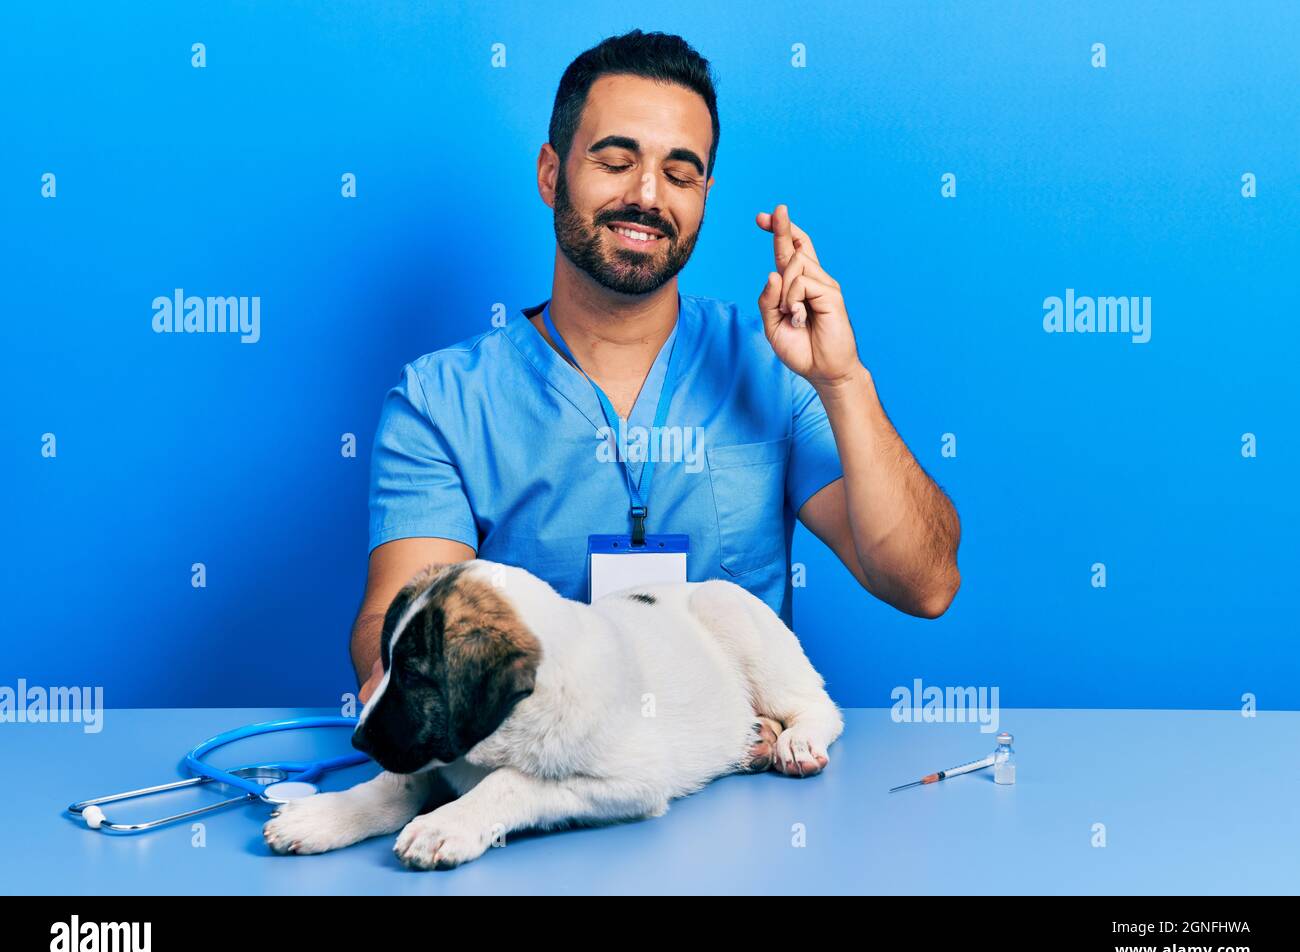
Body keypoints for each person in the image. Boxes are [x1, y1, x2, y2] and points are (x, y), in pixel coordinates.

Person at [353, 30, 961, 721]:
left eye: (679, 174)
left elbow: (925, 584)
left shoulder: (772, 368)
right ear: (552, 174)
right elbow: (392, 624)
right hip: (537, 786)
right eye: (615, 161)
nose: (646, 196)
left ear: (705, 192)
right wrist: (414, 690)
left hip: (738, 781)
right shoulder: (441, 403)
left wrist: (844, 380)